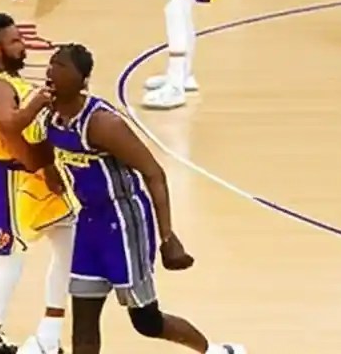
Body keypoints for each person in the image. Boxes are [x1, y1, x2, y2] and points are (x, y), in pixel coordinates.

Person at [30, 43, 245, 354]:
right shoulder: (48, 114)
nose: (51, 70)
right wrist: (49, 168)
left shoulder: (103, 123)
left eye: (61, 66)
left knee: (146, 321)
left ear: (83, 80)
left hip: (124, 222)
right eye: (51, 63)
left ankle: (214, 351)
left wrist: (168, 237)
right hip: (88, 223)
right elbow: (40, 143)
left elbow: (153, 173)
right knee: (84, 325)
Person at [0, 14, 74, 354]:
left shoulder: (9, 78)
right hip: (4, 177)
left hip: (34, 173)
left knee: (69, 243)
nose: (22, 45)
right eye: (14, 41)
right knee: (11, 261)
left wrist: (48, 165)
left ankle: (50, 332)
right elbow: (11, 125)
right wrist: (40, 101)